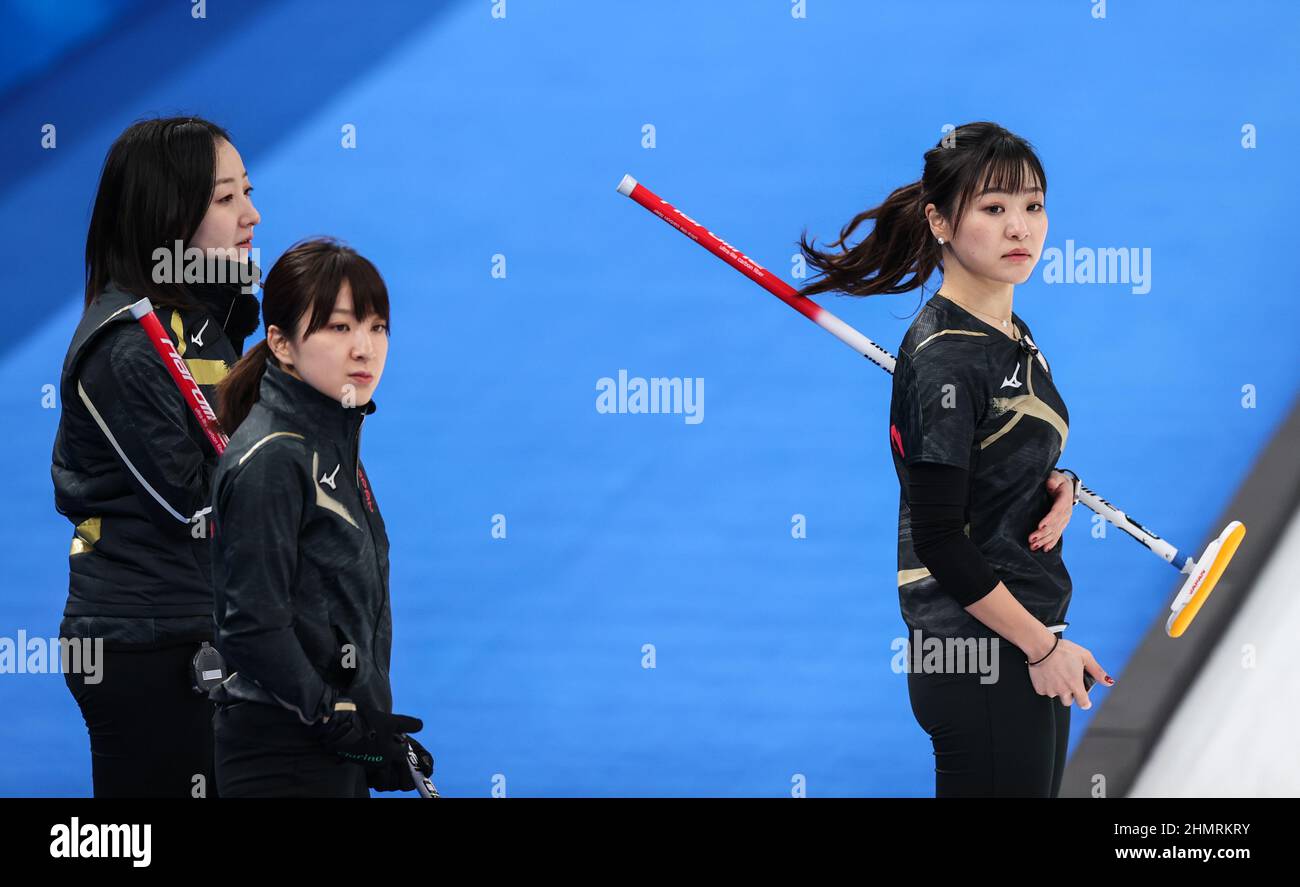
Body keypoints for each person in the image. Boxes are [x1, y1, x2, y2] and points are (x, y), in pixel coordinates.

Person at [799, 121, 1114, 797]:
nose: (1020, 229)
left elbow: (996, 452)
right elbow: (941, 537)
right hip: (983, 654)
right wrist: (1042, 648)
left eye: (1032, 206)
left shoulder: (1007, 331)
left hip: (1015, 636)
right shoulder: (948, 359)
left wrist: (1055, 483)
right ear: (941, 222)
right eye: (993, 209)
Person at [51, 116, 261, 797]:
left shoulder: (201, 322)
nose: (251, 216)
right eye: (225, 199)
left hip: (207, 629)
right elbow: (195, 505)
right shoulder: (126, 346)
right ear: (168, 215)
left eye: (247, 192)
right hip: (148, 644)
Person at [207, 237, 432, 798]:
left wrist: (371, 726)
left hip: (324, 750)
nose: (365, 348)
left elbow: (331, 612)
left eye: (377, 327)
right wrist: (338, 721)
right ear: (281, 343)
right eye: (338, 327)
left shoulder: (331, 443)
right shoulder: (276, 457)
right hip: (282, 759)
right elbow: (253, 625)